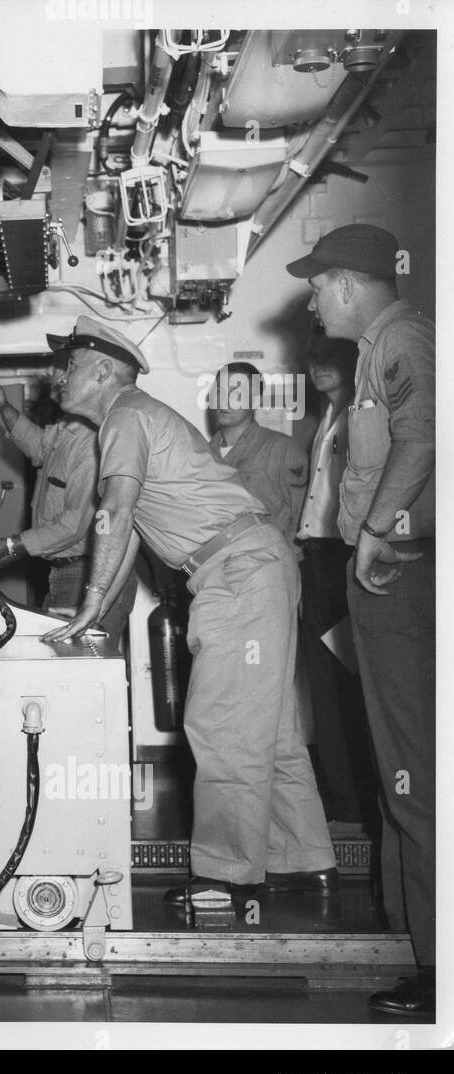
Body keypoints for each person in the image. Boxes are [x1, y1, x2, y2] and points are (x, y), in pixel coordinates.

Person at [39, 316, 336, 914]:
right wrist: (94, 604)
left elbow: (114, 514)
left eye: (69, 365)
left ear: (102, 370)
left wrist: (92, 599)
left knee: (222, 722)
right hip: (250, 566)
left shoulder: (124, 416)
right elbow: (124, 536)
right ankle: (303, 862)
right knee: (269, 730)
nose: (59, 376)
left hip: (237, 574)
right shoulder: (131, 420)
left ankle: (228, 877)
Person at [288, 224, 435, 1017]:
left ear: (346, 283)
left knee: (416, 773)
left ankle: (437, 970)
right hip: (388, 575)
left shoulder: (402, 339)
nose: (311, 299)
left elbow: (423, 440)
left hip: (404, 576)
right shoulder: (380, 351)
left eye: (317, 285)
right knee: (400, 771)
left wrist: (375, 533)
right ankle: (415, 941)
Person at [0, 372, 137, 649]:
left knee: (80, 667)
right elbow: (38, 445)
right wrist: (4, 409)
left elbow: (73, 527)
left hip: (87, 572)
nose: (57, 378)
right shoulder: (68, 429)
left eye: (67, 369)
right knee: (60, 661)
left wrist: (6, 546)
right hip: (63, 572)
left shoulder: (93, 442)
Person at [294, 336, 377, 842]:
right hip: (316, 559)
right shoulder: (324, 421)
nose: (319, 366)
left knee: (345, 684)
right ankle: (346, 803)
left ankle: (356, 806)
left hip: (342, 557)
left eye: (331, 356)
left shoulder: (357, 416)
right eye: (313, 357)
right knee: (324, 682)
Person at [206, 362, 308, 546]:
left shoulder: (283, 450)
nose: (224, 400)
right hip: (216, 566)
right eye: (220, 392)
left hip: (268, 564)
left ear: (256, 400)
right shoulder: (203, 454)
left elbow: (301, 517)